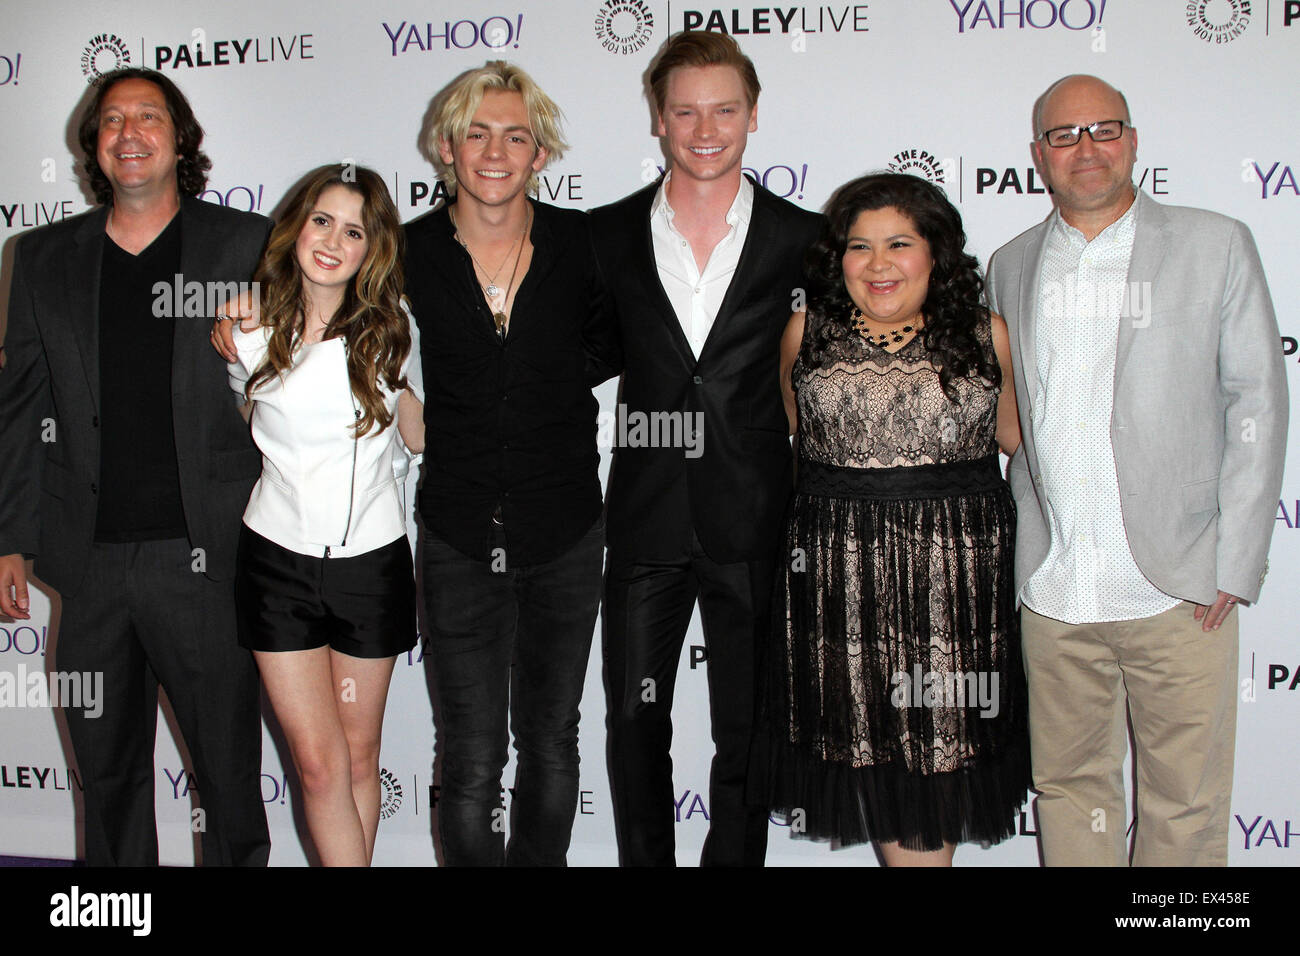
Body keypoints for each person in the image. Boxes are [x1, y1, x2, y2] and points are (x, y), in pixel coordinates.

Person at [985, 74, 1288, 866]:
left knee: (1184, 806)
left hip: (1179, 590)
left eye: (1104, 129)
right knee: (1070, 792)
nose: (1086, 148)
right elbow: (1014, 417)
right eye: (1064, 135)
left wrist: (1235, 559)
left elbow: (1256, 400)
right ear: (1038, 157)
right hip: (1054, 589)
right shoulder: (1010, 264)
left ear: (1133, 141)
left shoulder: (1214, 243)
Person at [0, 68, 269, 865]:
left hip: (211, 560)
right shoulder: (42, 257)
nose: (129, 132)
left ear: (179, 137)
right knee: (107, 780)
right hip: (90, 567)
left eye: (148, 116)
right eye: (111, 120)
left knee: (226, 778)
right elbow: (19, 406)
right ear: (95, 145)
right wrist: (9, 537)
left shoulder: (246, 244)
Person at [591, 31, 823, 866]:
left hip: (757, 520)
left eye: (724, 108)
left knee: (748, 730)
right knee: (632, 721)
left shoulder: (808, 239)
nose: (705, 127)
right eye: (685, 109)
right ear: (658, 117)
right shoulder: (603, 236)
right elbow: (565, 362)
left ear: (754, 115)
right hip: (645, 522)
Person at [763, 173, 1030, 866]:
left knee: (938, 756)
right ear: (837, 259)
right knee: (871, 751)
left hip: (955, 590)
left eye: (899, 243)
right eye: (859, 247)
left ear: (935, 252)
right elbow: (794, 443)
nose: (878, 265)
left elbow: (1019, 447)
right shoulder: (805, 334)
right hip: (842, 587)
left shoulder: (986, 335)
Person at [405, 62, 617, 866]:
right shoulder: (406, 252)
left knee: (553, 742)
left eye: (515, 135)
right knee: (469, 759)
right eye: (476, 133)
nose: (495, 151)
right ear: (446, 146)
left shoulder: (583, 244)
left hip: (565, 528)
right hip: (457, 532)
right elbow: (337, 326)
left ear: (540, 153)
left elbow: (606, 346)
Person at [217, 164, 423, 866]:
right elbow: (246, 417)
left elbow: (422, 435)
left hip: (372, 566)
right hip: (276, 565)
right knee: (318, 766)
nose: (334, 239)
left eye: (355, 229)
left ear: (373, 250)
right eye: (322, 220)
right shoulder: (246, 329)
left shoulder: (394, 335)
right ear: (296, 227)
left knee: (359, 758)